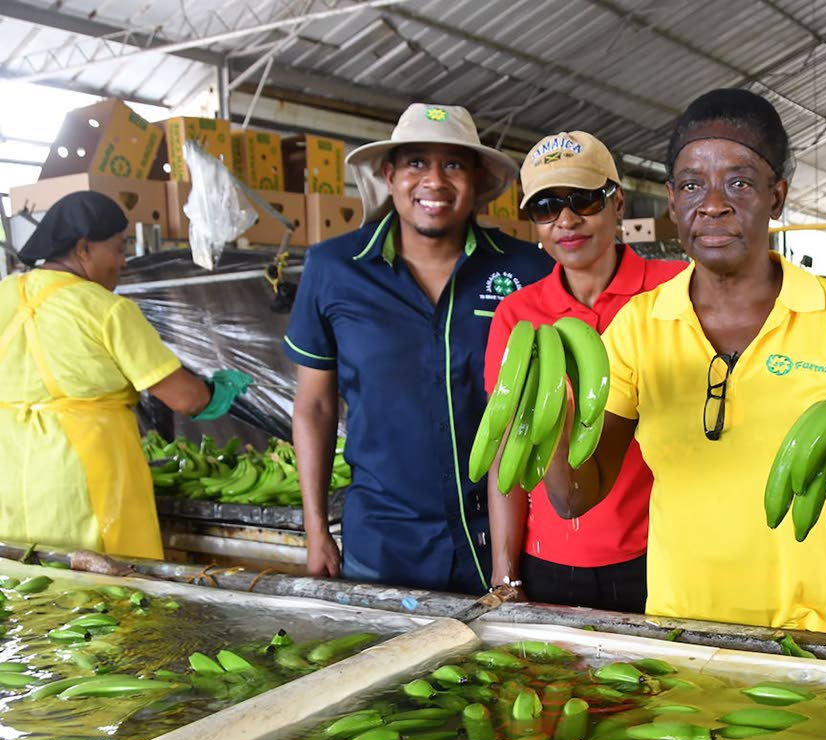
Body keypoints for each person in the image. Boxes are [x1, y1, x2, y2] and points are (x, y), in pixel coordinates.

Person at [542, 88, 826, 636]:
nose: (713, 204)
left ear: (776, 197)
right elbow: (573, 497)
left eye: (739, 183)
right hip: (687, 627)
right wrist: (548, 412)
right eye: (691, 185)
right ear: (672, 201)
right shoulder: (638, 326)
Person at [285, 104, 551, 593]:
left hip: (506, 541)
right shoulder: (334, 269)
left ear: (476, 180)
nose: (434, 181)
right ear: (390, 176)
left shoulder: (526, 271)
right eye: (416, 163)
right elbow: (314, 407)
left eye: (453, 165)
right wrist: (315, 529)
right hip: (383, 542)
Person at [483, 131, 683, 611]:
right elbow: (508, 448)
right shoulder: (518, 315)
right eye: (546, 207)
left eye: (584, 200)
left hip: (664, 554)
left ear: (618, 204)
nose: (567, 220)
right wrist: (505, 574)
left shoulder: (676, 290)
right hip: (551, 559)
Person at [0, 191, 250, 559]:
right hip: (83, 478)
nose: (123, 262)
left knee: (27, 580)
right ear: (84, 249)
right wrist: (218, 391)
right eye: (118, 249)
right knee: (103, 581)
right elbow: (187, 399)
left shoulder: (5, 292)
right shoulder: (107, 309)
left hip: (9, 470)